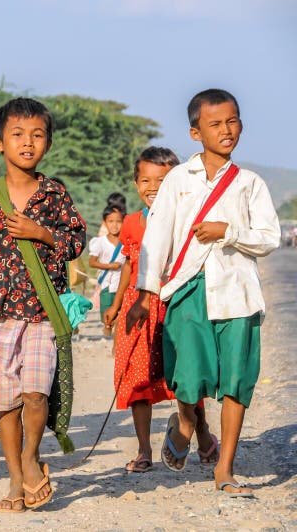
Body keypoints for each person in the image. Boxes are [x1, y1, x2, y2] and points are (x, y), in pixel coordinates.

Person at [127, 90, 280, 496]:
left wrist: (228, 231)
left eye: (232, 121)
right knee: (188, 377)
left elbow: (270, 237)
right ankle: (186, 421)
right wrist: (146, 293)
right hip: (188, 289)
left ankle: (225, 468)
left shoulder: (250, 183)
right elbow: (156, 238)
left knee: (236, 380)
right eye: (215, 124)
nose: (226, 130)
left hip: (238, 293)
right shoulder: (178, 179)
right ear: (196, 132)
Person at [0, 98, 87, 512]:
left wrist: (42, 233)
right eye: (17, 135)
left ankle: (30, 459)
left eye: (37, 135)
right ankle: (15, 476)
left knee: (35, 394)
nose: (28, 143)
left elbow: (76, 240)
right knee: (4, 401)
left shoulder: (55, 194)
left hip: (42, 311)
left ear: (47, 143)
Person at [104, 148, 218, 473]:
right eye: (145, 180)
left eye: (163, 180)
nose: (153, 187)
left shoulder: (189, 222)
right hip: (139, 307)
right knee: (138, 379)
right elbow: (130, 262)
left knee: (187, 377)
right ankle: (144, 451)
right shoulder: (130, 222)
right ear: (135, 183)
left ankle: (203, 434)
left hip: (177, 304)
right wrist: (115, 305)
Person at [88, 195, 126, 336]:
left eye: (118, 221)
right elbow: (92, 262)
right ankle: (108, 331)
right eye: (111, 221)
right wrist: (109, 266)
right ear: (105, 223)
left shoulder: (126, 241)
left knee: (122, 315)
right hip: (107, 285)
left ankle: (117, 340)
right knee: (107, 316)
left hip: (123, 284)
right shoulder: (100, 242)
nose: (114, 225)